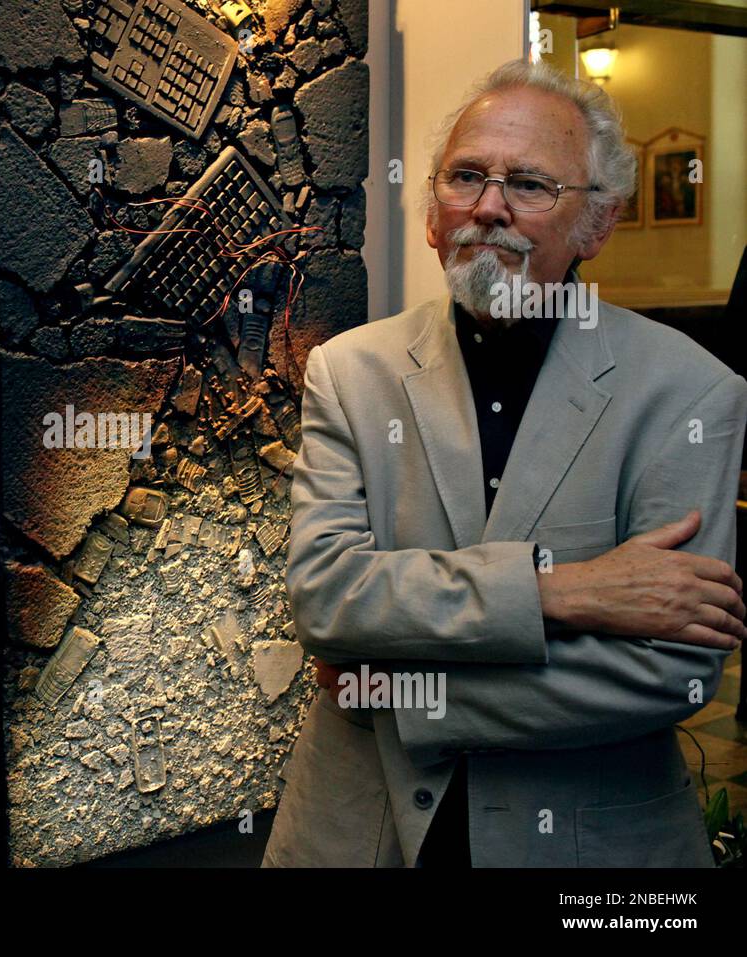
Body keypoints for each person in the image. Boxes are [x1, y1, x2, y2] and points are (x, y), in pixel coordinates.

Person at [262, 59, 747, 868]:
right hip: (358, 834)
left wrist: (401, 691)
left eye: (530, 183)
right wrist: (564, 591)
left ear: (598, 223)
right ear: (430, 212)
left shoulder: (691, 392)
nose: (489, 206)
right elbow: (328, 599)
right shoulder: (350, 372)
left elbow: (670, 670)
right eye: (466, 176)